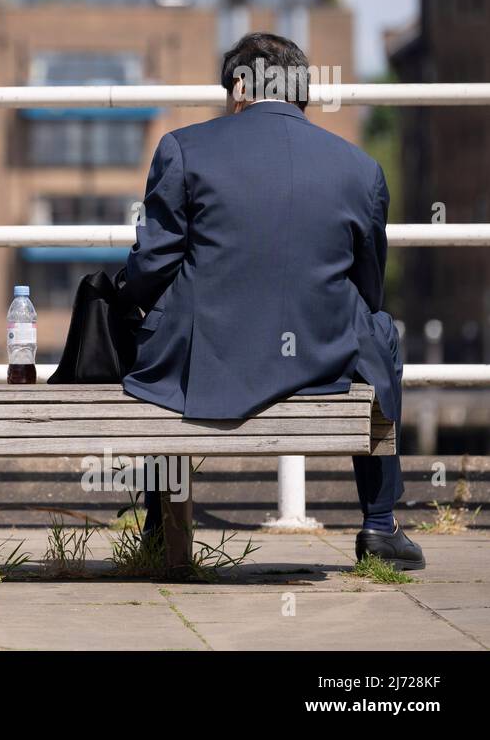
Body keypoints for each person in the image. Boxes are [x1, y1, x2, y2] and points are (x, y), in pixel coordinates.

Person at [124, 32, 422, 570]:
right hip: (321, 360)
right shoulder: (359, 169)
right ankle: (379, 526)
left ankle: (159, 528)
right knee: (379, 330)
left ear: (240, 85)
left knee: (153, 324)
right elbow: (369, 286)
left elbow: (151, 266)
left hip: (203, 363)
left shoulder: (185, 148)